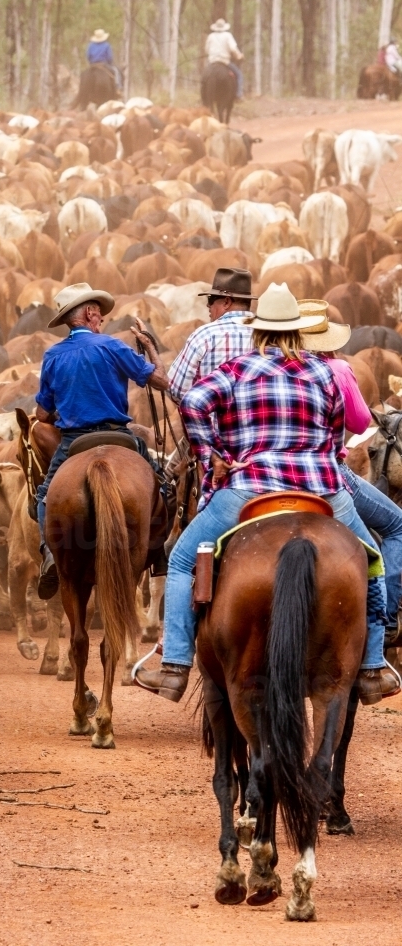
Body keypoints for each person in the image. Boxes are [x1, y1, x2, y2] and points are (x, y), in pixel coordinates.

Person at [134, 283, 399, 707]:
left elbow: (192, 401)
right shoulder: (326, 371)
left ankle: (176, 665)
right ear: (297, 333)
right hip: (323, 490)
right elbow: (343, 428)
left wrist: (213, 455)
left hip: (250, 487)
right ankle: (371, 668)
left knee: (184, 557)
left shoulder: (236, 370)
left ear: (259, 332)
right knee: (370, 559)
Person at [34, 282, 168, 599]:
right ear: (91, 313)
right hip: (119, 436)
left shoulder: (52, 355)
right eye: (100, 313)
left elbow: (41, 414)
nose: (102, 319)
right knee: (159, 487)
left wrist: (65, 411)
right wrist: (150, 347)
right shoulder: (113, 346)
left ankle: (50, 555)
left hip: (73, 442)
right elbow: (161, 381)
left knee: (43, 497)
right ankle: (157, 553)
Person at [299, 301, 402, 642]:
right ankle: (383, 629)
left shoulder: (256, 367)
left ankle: (177, 648)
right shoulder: (338, 369)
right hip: (328, 475)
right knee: (395, 527)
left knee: (187, 554)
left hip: (258, 478)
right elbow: (359, 423)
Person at [167, 267, 255, 404]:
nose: (208, 306)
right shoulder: (269, 335)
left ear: (226, 302)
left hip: (210, 424)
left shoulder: (205, 335)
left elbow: (175, 390)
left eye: (211, 299)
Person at [205, 18, 244, 100]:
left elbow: (206, 50)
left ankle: (204, 96)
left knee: (204, 77)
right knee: (239, 74)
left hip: (212, 62)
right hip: (224, 62)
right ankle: (238, 94)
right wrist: (239, 56)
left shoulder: (210, 36)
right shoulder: (228, 35)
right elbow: (233, 49)